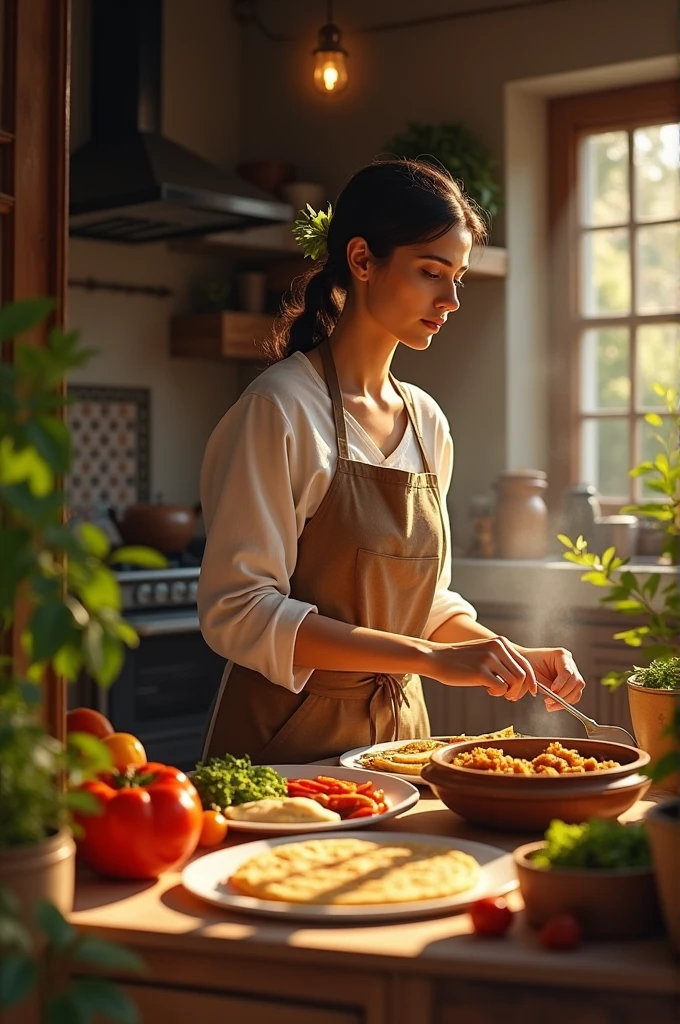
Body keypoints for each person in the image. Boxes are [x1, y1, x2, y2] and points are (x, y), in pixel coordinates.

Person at [198, 159, 585, 764]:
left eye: (457, 277)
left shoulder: (427, 422)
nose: (450, 300)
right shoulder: (279, 409)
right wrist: (430, 659)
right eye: (431, 272)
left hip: (400, 740)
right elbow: (239, 611)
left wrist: (507, 654)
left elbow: (424, 603)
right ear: (361, 260)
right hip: (283, 745)